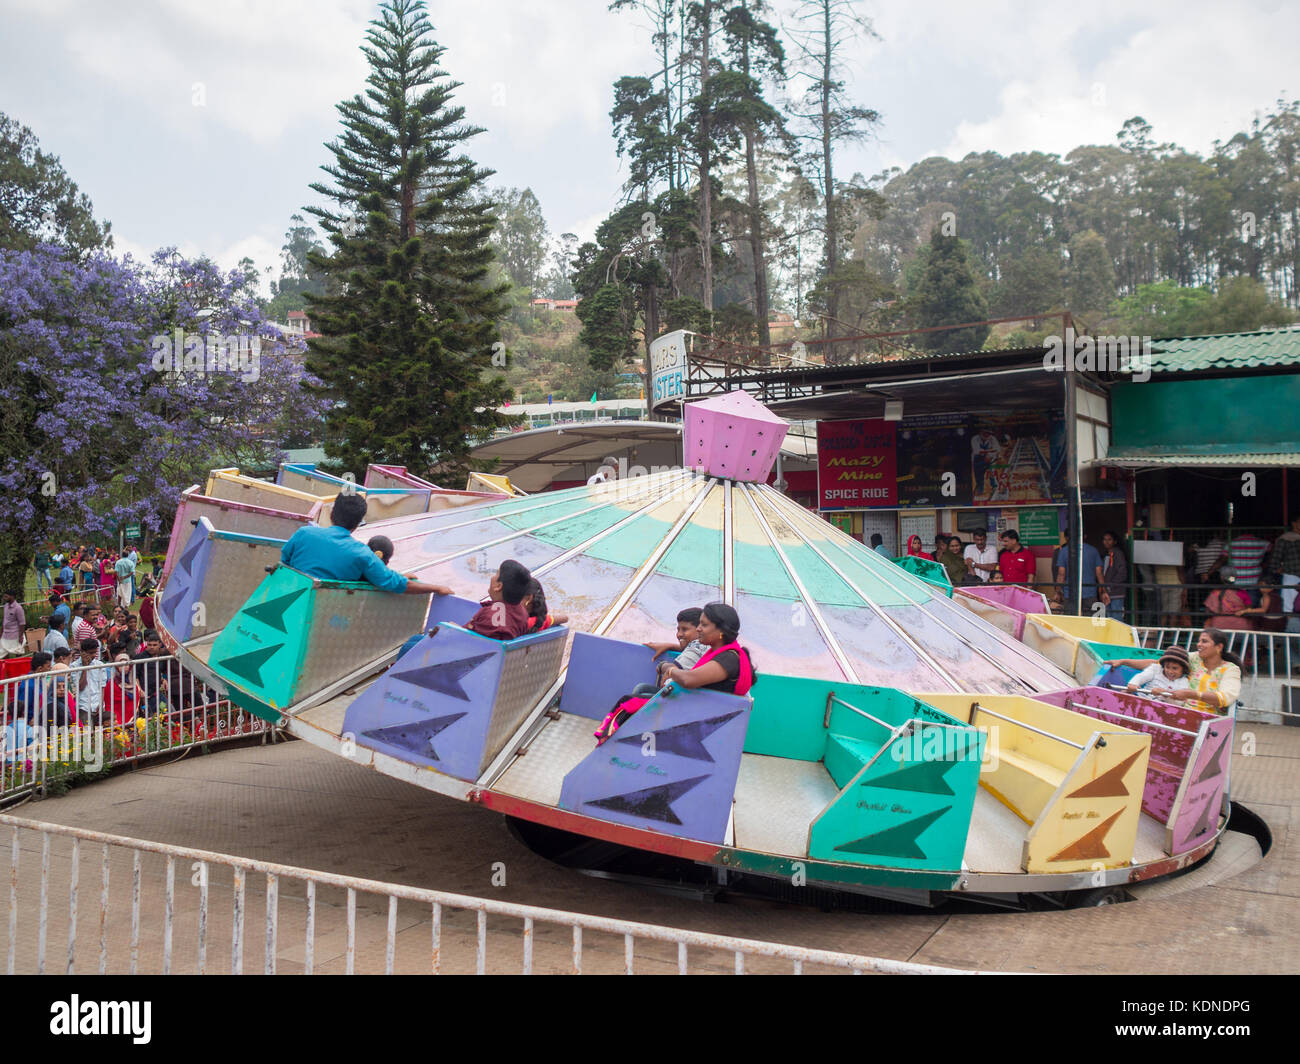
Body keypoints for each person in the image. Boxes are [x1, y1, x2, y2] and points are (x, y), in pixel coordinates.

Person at [594, 602, 755, 744]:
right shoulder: (719, 652)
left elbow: (689, 680)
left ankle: (611, 749)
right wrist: (670, 647)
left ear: (721, 631)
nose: (698, 629)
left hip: (697, 719)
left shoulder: (729, 659)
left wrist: (669, 669)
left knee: (629, 704)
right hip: (695, 711)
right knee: (631, 701)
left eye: (704, 625)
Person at [280, 493, 450, 597]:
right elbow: (394, 583)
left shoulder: (304, 534)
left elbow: (284, 563)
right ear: (358, 523)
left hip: (285, 597)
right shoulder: (361, 554)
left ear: (332, 513)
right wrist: (437, 588)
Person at [641, 607, 706, 693]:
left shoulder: (696, 648)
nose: (679, 634)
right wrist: (670, 646)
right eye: (678, 629)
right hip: (677, 693)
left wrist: (662, 665)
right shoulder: (703, 646)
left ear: (699, 629)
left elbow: (672, 669)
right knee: (642, 688)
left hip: (680, 697)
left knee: (639, 691)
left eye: (684, 629)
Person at [465, 560, 532, 640]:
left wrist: (453, 627)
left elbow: (472, 642)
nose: (492, 577)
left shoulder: (491, 616)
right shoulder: (522, 612)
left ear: (498, 586)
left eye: (496, 573)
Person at [1052, 531, 1103, 614]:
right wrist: (1103, 591)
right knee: (1090, 622)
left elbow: (1061, 574)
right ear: (1084, 536)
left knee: (1071, 621)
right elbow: (1099, 573)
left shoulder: (1064, 551)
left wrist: (1058, 592)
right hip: (1090, 593)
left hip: (1070, 593)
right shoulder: (1093, 550)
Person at [1121, 645, 1192, 697]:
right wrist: (1134, 684)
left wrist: (1165, 694)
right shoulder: (1156, 669)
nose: (1170, 671)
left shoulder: (1184, 682)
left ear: (1183, 669)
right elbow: (1142, 676)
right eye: (1167, 667)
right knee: (1125, 692)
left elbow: (1178, 702)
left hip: (1162, 709)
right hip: (1143, 698)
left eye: (1175, 668)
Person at [1269, 512, 1300, 614]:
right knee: (1289, 605)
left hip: (1291, 575)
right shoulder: (1285, 539)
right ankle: (1291, 626)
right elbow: (1275, 560)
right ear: (1294, 524)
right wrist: (1278, 570)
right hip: (1291, 576)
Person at [75, 638, 106, 726]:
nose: (93, 655)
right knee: (86, 736)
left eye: (95, 653)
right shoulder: (74, 666)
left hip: (98, 706)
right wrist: (85, 667)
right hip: (83, 707)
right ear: (82, 652)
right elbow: (80, 687)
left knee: (99, 734)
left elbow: (102, 686)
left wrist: (101, 703)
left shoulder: (100, 665)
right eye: (90, 653)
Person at [1099, 530, 1129, 622]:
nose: (1106, 542)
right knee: (1109, 618)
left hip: (1116, 592)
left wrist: (1110, 585)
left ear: (1115, 541)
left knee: (1116, 618)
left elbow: (1122, 573)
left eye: (1109, 540)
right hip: (1107, 591)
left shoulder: (1118, 554)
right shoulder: (1106, 554)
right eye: (1104, 540)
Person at [1, 591, 26, 658]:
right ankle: (6, 666)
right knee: (3, 652)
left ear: (12, 596)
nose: (4, 598)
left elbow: (22, 623)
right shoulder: (5, 606)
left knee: (18, 651)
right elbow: (4, 620)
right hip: (5, 634)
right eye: (4, 596)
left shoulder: (18, 608)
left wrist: (20, 636)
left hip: (15, 634)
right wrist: (1, 632)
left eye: (6, 596)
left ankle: (17, 665)